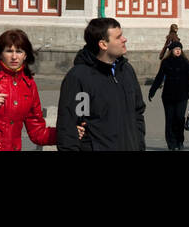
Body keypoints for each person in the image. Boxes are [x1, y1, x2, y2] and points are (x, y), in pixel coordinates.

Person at [56, 17, 145, 151]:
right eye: (118, 37)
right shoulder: (80, 77)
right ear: (103, 44)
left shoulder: (126, 70)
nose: (124, 39)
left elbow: (137, 112)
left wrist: (139, 144)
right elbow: (70, 126)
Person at [147, 39, 189, 150]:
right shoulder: (166, 62)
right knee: (169, 120)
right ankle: (171, 143)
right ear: (171, 50)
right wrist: (152, 91)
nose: (178, 51)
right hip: (168, 96)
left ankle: (180, 141)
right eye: (176, 49)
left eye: (179, 49)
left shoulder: (186, 63)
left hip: (182, 96)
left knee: (179, 118)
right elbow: (159, 77)